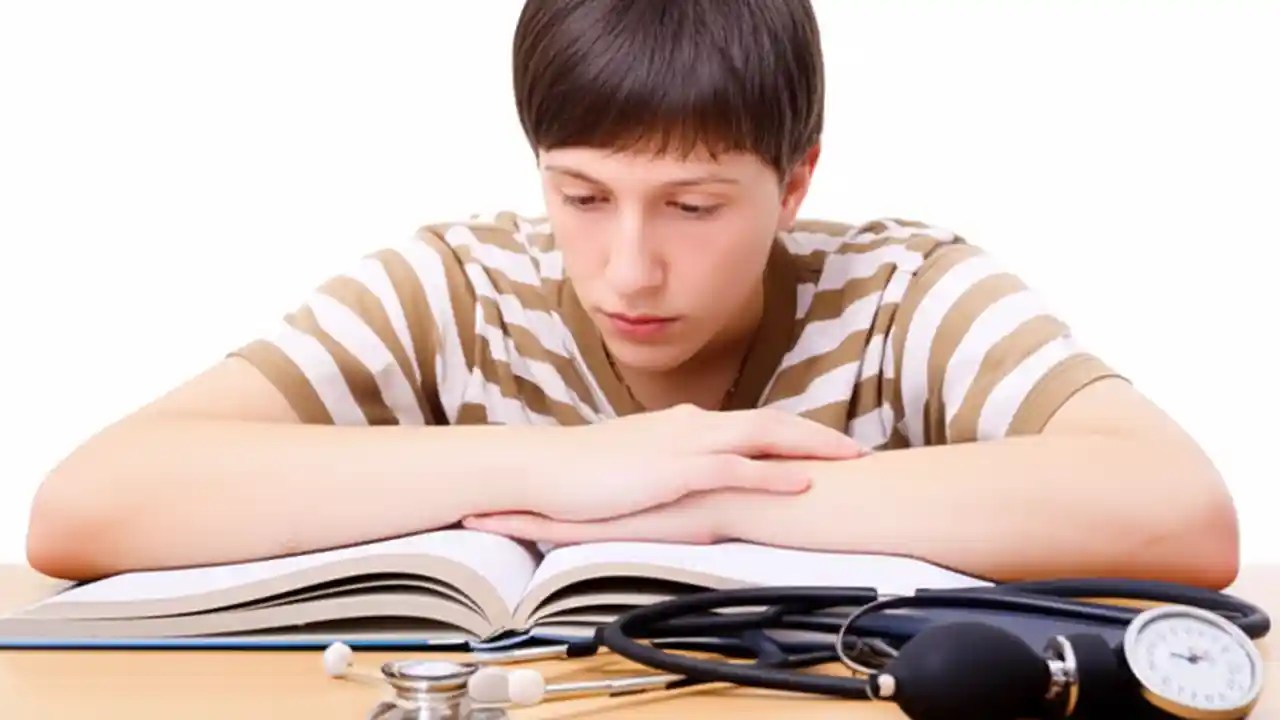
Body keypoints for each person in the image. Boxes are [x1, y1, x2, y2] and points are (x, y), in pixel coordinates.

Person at [25, 0, 1238, 589]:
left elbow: (1175, 511)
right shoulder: (460, 285)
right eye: (581, 196)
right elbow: (86, 508)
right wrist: (553, 470)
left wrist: (701, 499)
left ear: (794, 180)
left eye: (695, 207)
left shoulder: (898, 291)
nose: (627, 269)